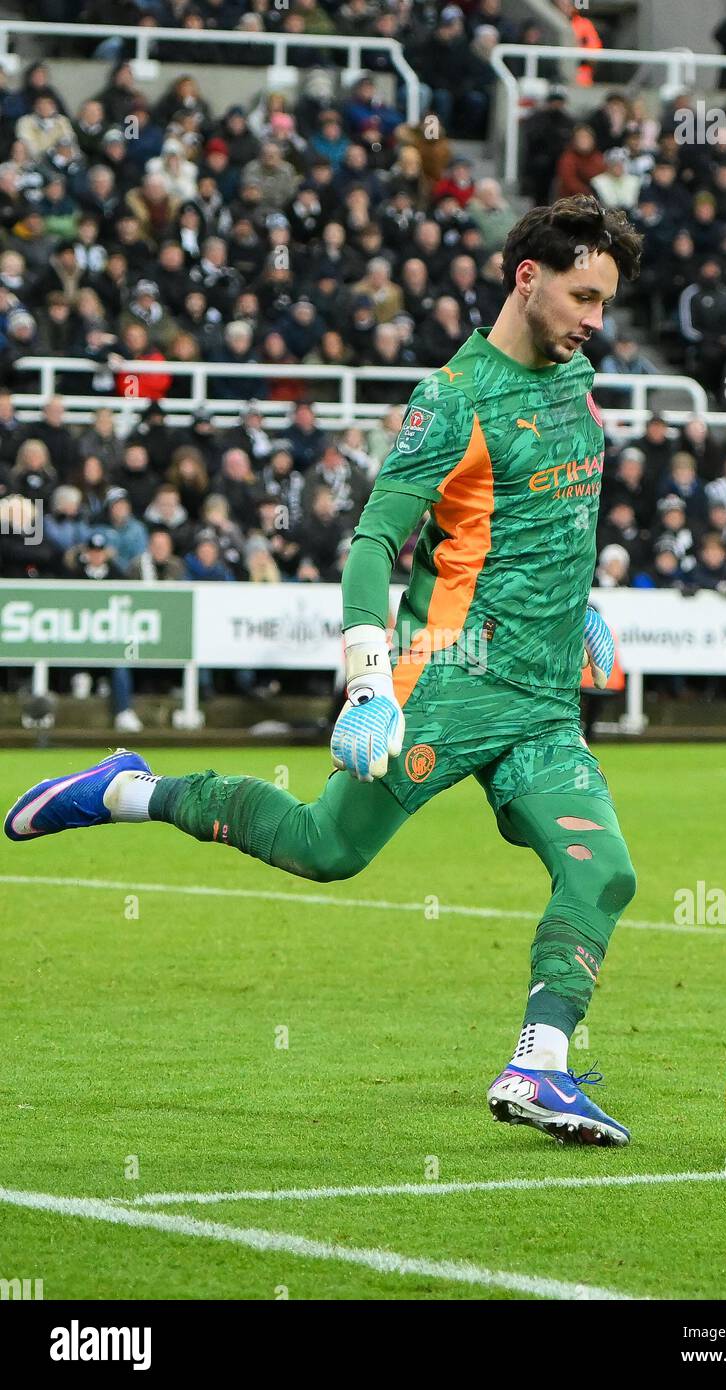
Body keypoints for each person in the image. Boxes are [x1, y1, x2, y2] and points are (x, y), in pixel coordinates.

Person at [5, 195, 642, 1150]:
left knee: (604, 873)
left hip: (544, 699)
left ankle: (537, 1067)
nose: (597, 321)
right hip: (449, 679)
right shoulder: (452, 398)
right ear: (528, 278)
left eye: (605, 303)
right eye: (585, 296)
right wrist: (368, 679)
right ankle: (128, 790)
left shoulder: (575, 374)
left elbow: (550, 504)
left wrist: (573, 600)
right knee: (324, 850)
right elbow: (374, 542)